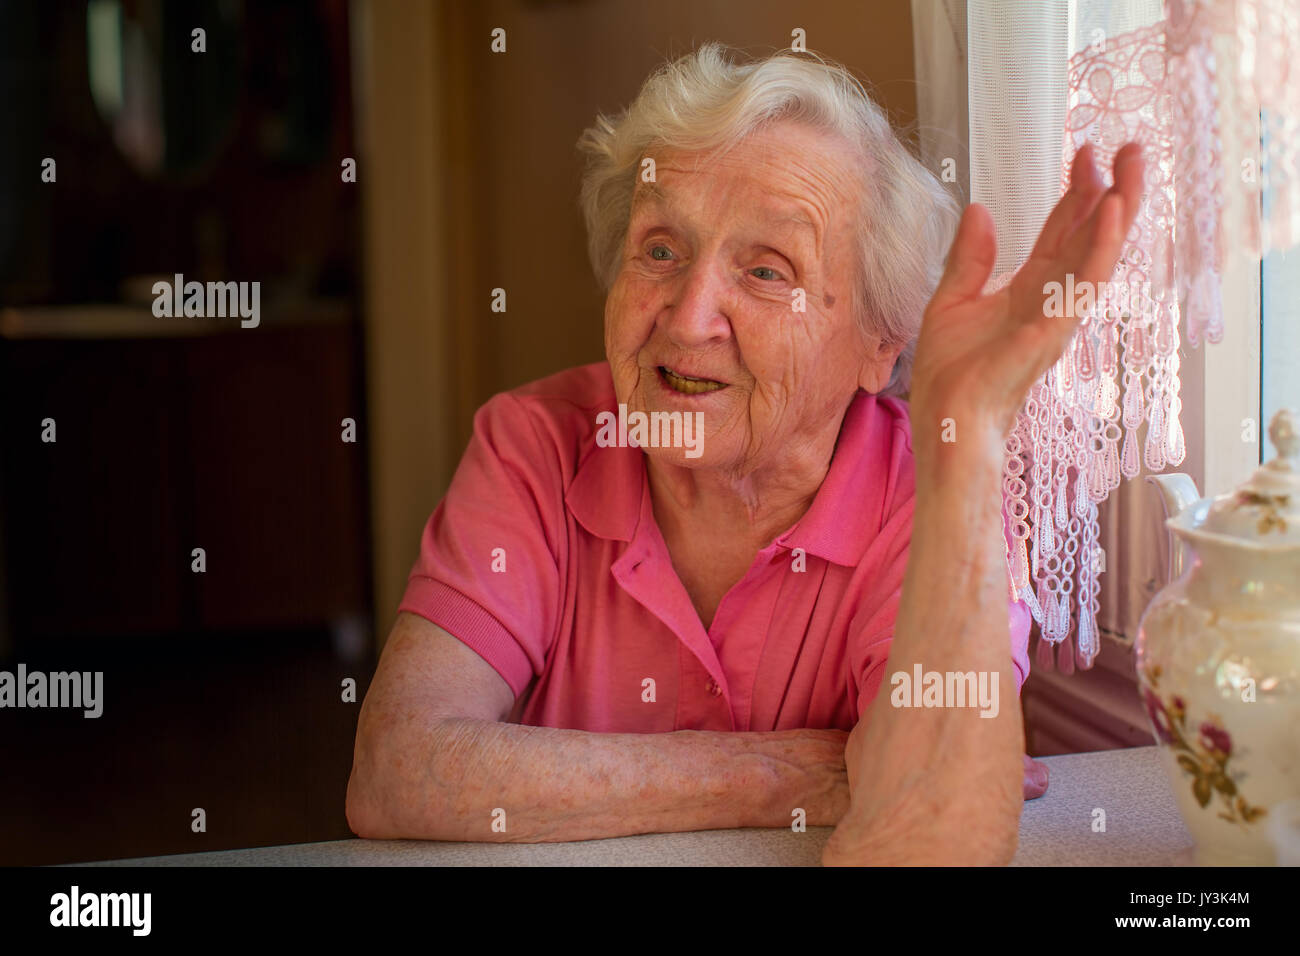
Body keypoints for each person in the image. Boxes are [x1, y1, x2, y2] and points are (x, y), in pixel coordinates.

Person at [345, 43, 1143, 864]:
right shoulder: (537, 443)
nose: (688, 320)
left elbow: (933, 838)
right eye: (660, 250)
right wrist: (782, 772)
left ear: (879, 346)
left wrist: (968, 425)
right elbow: (399, 768)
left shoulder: (929, 498)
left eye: (767, 272)